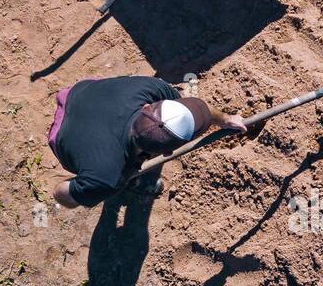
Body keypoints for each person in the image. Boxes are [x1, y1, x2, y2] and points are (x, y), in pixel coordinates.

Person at [48, 75, 246, 208]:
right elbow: (60, 194)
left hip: (81, 93)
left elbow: (199, 109)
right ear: (168, 153)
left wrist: (226, 120)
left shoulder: (151, 88)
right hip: (61, 137)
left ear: (149, 107)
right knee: (117, 180)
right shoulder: (107, 179)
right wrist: (88, 187)